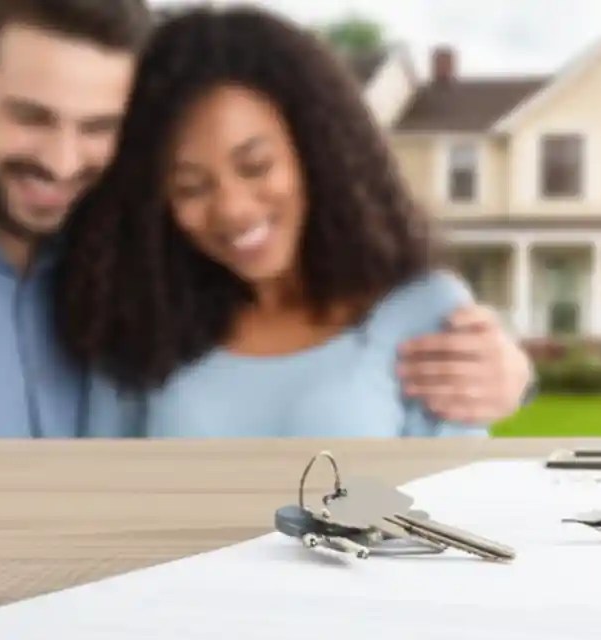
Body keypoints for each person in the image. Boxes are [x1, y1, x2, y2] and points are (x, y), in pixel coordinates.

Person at [0, 0, 534, 438]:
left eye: (98, 127)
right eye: (32, 116)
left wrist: (517, 374)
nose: (63, 161)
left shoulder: (108, 262)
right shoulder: (129, 299)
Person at [53, 5, 499, 437]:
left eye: (256, 166)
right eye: (190, 188)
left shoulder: (424, 311)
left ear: (316, 151)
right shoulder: (140, 321)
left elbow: (456, 499)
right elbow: (102, 496)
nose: (232, 209)